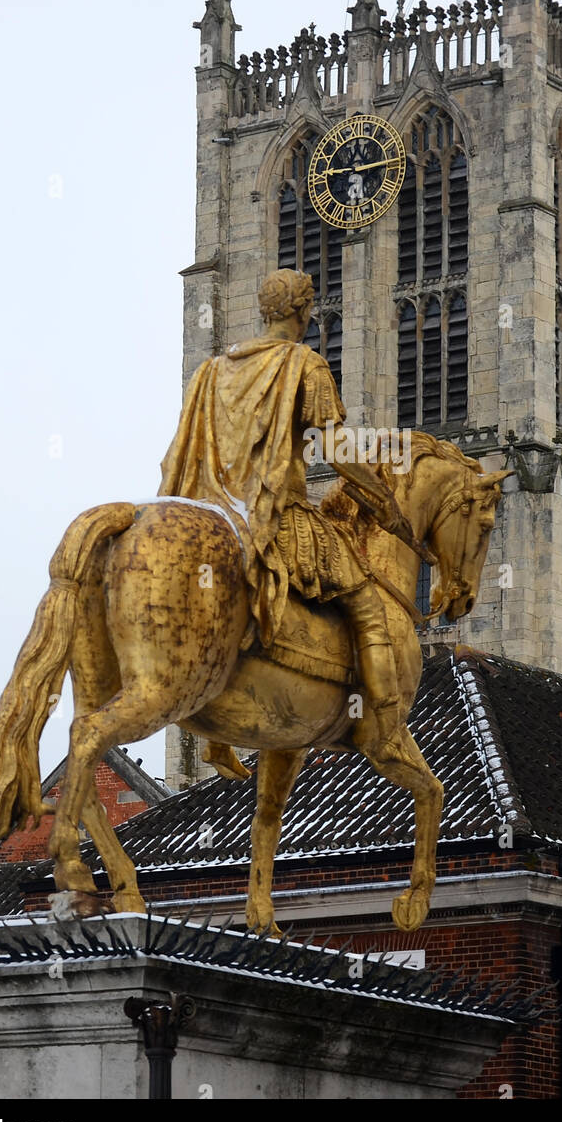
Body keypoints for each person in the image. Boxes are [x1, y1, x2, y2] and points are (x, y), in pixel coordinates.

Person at [158, 267, 412, 763]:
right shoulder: (305, 365)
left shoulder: (212, 370)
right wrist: (381, 498)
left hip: (213, 513)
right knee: (367, 604)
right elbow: (334, 447)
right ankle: (384, 722)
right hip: (277, 515)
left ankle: (216, 732)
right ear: (303, 310)